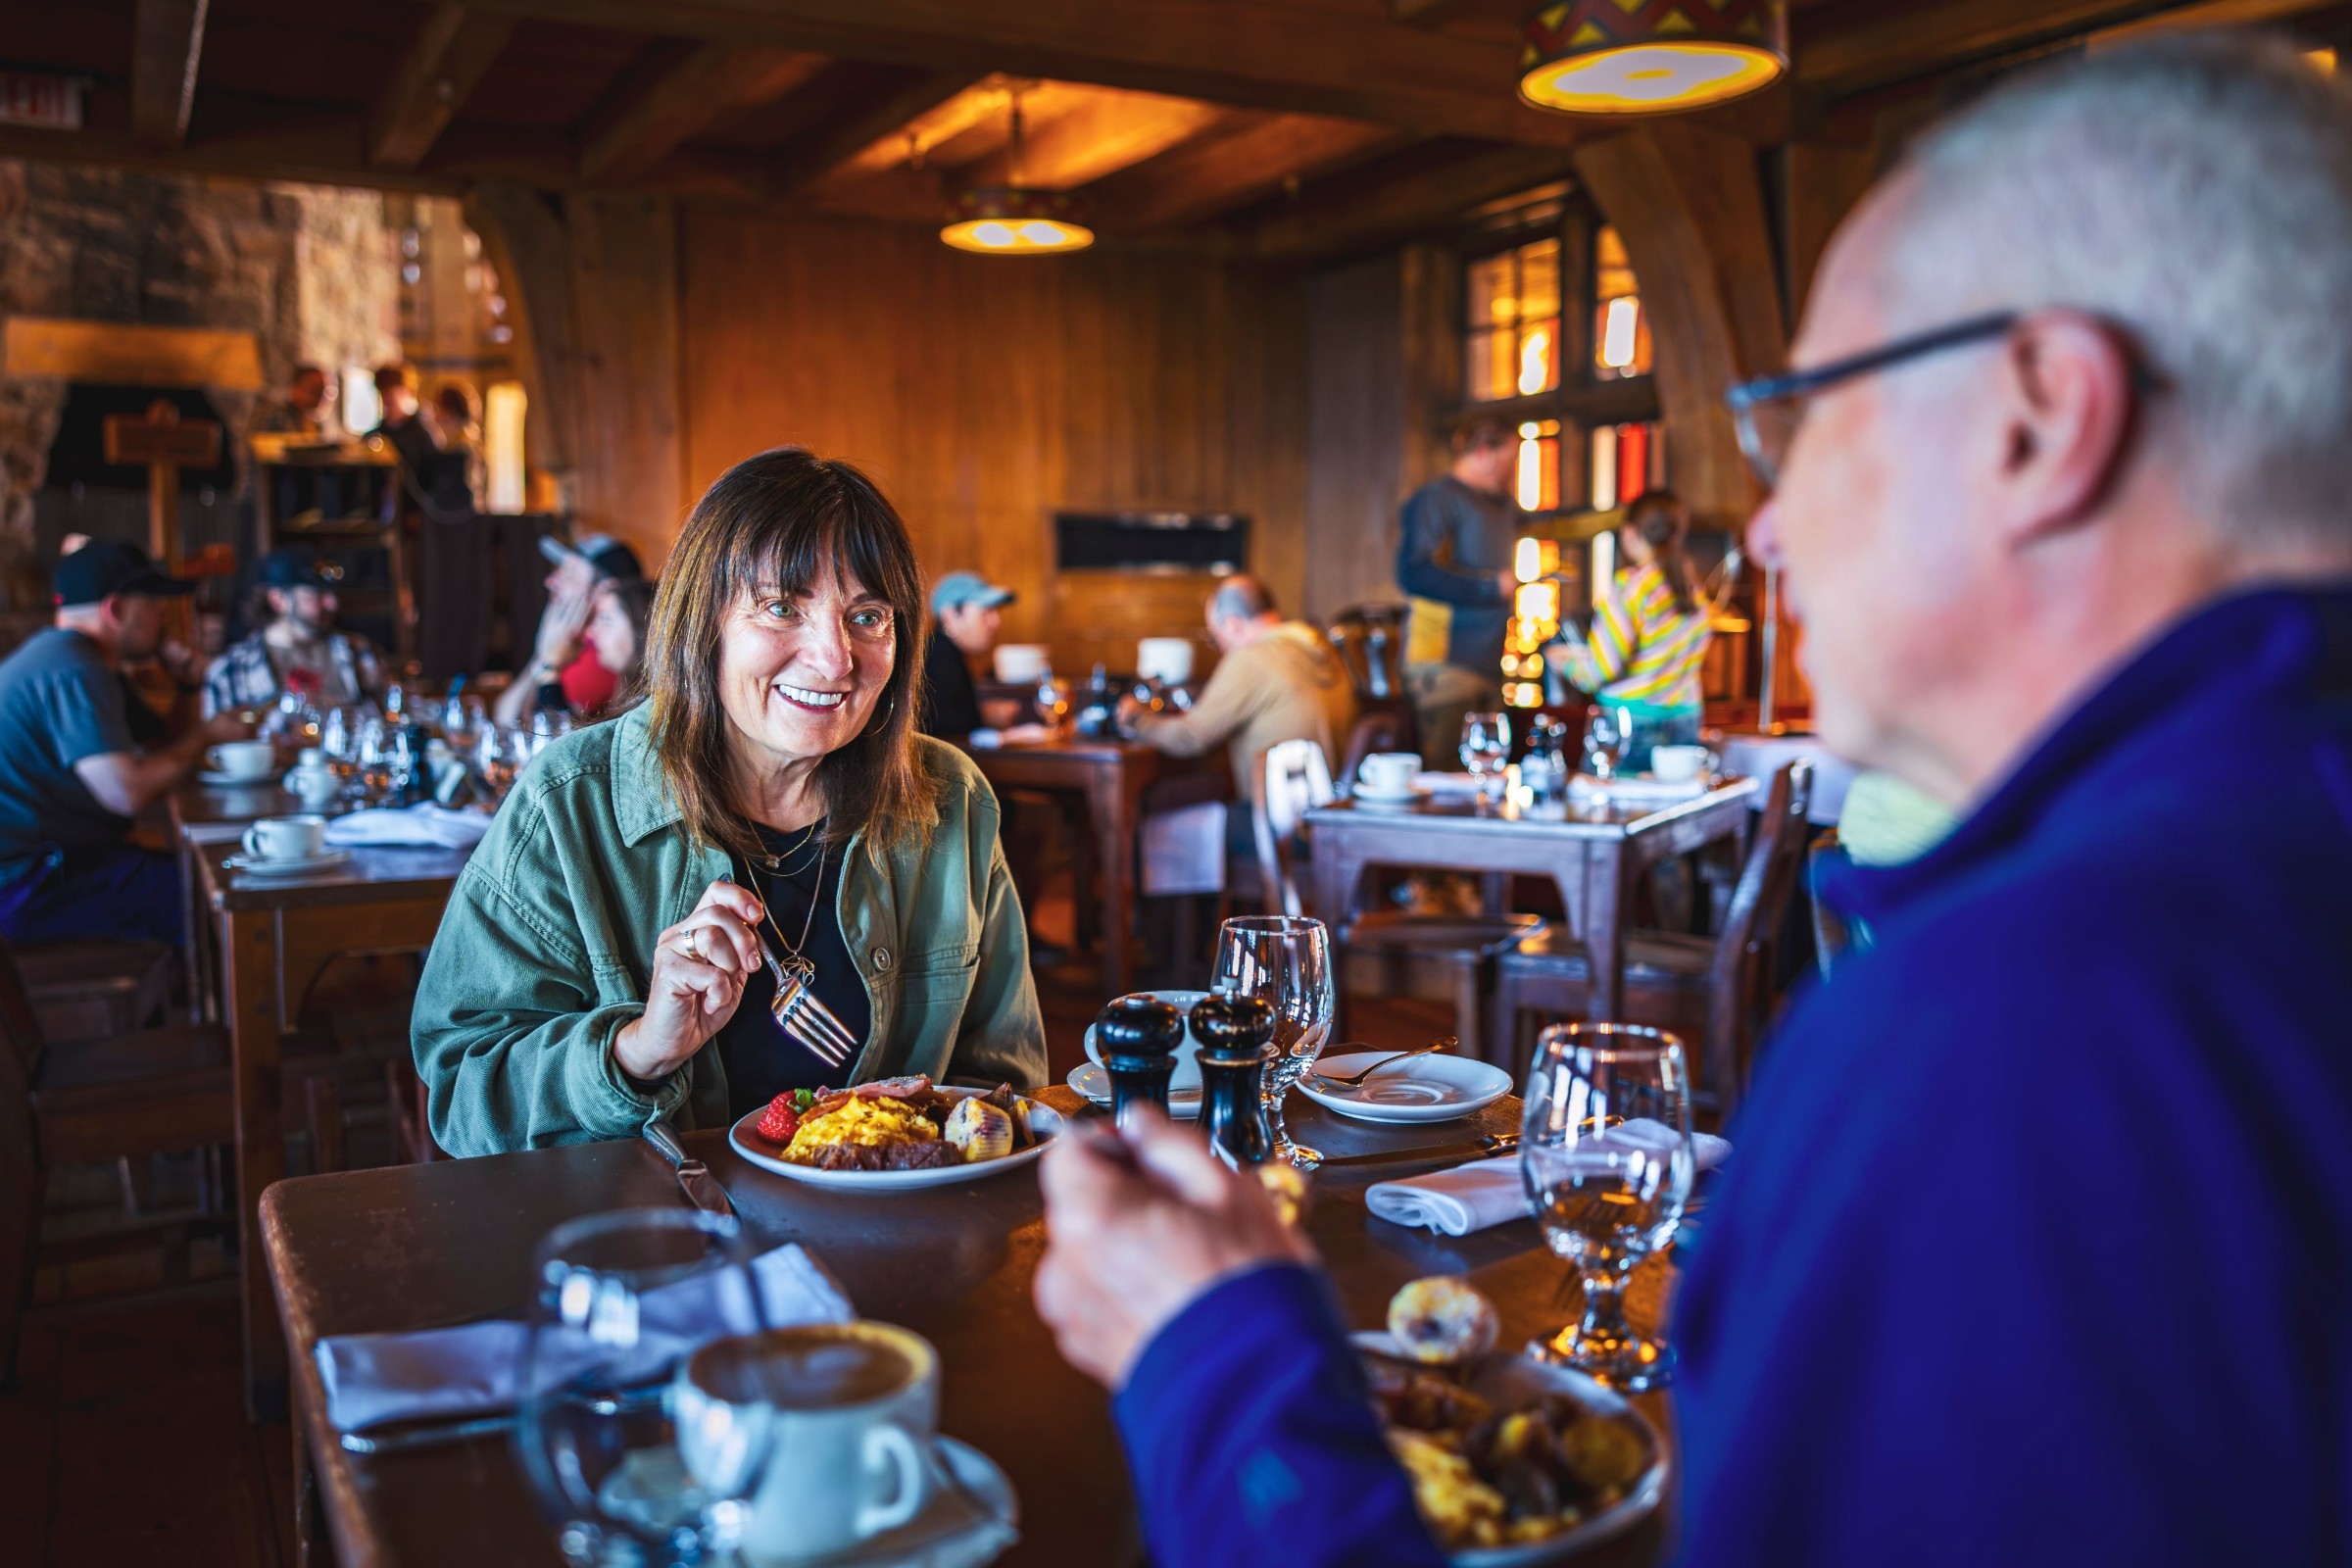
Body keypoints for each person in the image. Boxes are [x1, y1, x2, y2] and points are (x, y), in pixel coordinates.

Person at [1032, 33, 2352, 1568]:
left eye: (1808, 419)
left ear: (2040, 418)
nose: (1769, 533)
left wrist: (1213, 1359)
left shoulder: (2030, 1036)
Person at [413, 447, 1048, 1154]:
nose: (835, 659)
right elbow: (465, 1095)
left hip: (895, 1220)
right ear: (702, 623)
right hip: (651, 1220)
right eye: (781, 607)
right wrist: (637, 1051)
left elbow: (1005, 1085)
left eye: (868, 616)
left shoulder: (948, 798)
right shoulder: (570, 804)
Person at [0, 541, 257, 947]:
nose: (163, 616)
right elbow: (128, 792)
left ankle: (185, 985)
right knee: (214, 893)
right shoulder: (73, 668)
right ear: (116, 609)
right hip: (26, 883)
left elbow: (164, 746)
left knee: (208, 874)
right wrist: (208, 735)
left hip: (50, 862)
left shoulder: (83, 659)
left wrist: (186, 683)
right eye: (153, 604)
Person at [1117, 575, 1356, 851]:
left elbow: (1191, 736)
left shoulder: (1252, 658)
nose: (1219, 647)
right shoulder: (1321, 649)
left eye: (1214, 636)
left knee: (1155, 825)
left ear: (1232, 624)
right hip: (1330, 820)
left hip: (1283, 830)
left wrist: (1136, 718)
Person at [1396, 416, 1531, 766]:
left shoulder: (1500, 506)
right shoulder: (1438, 499)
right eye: (1510, 459)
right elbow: (1415, 573)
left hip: (1488, 664)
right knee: (1448, 777)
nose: (1513, 468)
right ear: (1483, 452)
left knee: (1488, 772)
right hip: (1444, 667)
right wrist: (1489, 587)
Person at [1546, 490, 1712, 771]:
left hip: (1631, 721)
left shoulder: (1630, 588)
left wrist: (1566, 663)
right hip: (1686, 717)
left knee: (1610, 798)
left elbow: (1602, 669)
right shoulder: (1693, 589)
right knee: (1676, 799)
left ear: (1630, 532)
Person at [202, 548, 388, 716]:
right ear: (278, 600)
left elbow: (389, 718)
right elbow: (217, 740)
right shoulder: (228, 672)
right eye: (316, 595)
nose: (332, 604)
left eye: (332, 594)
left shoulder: (359, 652)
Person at [507, 531, 646, 723]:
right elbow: (504, 715)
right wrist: (544, 654)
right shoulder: (571, 640)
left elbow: (550, 729)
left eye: (570, 573)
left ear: (605, 587)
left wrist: (549, 666)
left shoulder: (607, 652)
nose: (550, 581)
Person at [491, 573, 652, 726]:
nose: (591, 632)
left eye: (606, 619)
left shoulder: (648, 706)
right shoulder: (624, 691)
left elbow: (559, 739)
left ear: (643, 628)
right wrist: (545, 658)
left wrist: (551, 669)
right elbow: (505, 719)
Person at [918, 570, 1013, 740]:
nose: (996, 621)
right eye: (986, 611)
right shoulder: (939, 659)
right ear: (950, 616)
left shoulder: (943, 652)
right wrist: (986, 719)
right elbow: (940, 729)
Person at [246, 363, 339, 441]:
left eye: (321, 391)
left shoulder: (314, 425)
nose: (319, 396)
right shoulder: (273, 415)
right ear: (296, 386)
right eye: (313, 389)